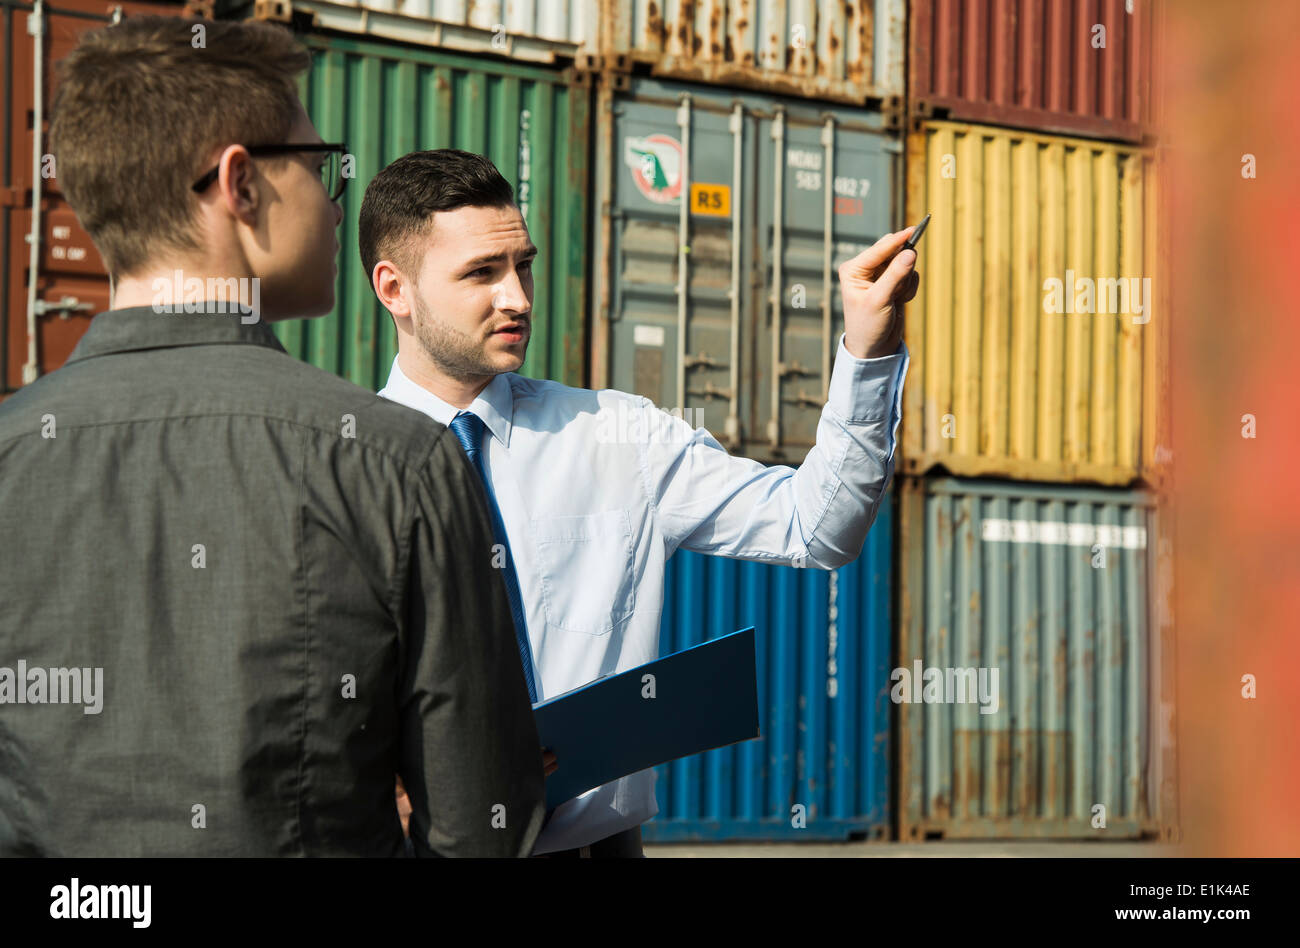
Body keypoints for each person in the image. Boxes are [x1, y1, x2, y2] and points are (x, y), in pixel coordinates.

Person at [0, 19, 544, 856]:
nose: (334, 204)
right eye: (318, 165)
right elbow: (481, 824)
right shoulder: (400, 463)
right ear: (241, 184)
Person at [360, 148, 916, 857]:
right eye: (481, 273)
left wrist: (868, 353)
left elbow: (818, 529)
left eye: (522, 265)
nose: (519, 298)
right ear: (393, 289)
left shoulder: (617, 436)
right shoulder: (341, 468)